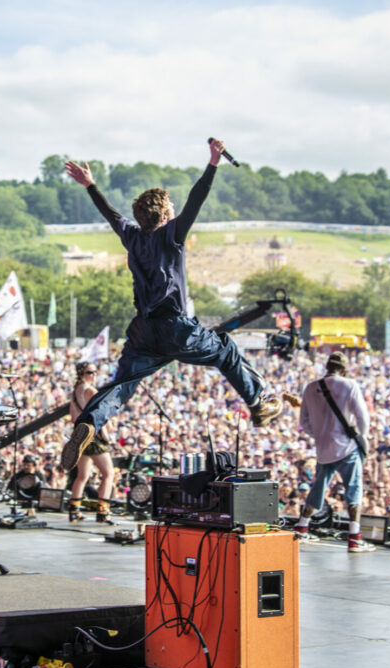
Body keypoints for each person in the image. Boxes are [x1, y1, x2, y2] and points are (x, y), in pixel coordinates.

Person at [59, 139, 282, 471]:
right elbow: (197, 200)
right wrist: (212, 164)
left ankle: (89, 423)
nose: (176, 213)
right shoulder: (172, 235)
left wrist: (90, 185)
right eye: (172, 210)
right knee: (224, 348)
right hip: (175, 327)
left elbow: (112, 215)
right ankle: (257, 402)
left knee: (120, 387)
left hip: (144, 331)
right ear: (165, 215)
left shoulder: (131, 236)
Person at [292, 351, 375, 553]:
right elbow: (363, 418)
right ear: (344, 369)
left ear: (327, 367)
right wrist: (361, 436)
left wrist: (319, 435)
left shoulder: (311, 387)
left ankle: (302, 527)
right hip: (347, 448)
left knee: (318, 487)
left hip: (323, 448)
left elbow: (303, 422)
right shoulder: (350, 385)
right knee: (354, 489)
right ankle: (354, 537)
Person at [66, 361, 117, 522]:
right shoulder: (90, 391)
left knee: (82, 475)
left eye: (95, 372)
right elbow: (101, 415)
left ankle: (74, 510)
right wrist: (109, 429)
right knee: (109, 474)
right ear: (82, 374)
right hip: (93, 437)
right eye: (90, 372)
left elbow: (73, 418)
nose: (94, 375)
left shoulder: (75, 392)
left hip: (79, 437)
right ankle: (103, 510)